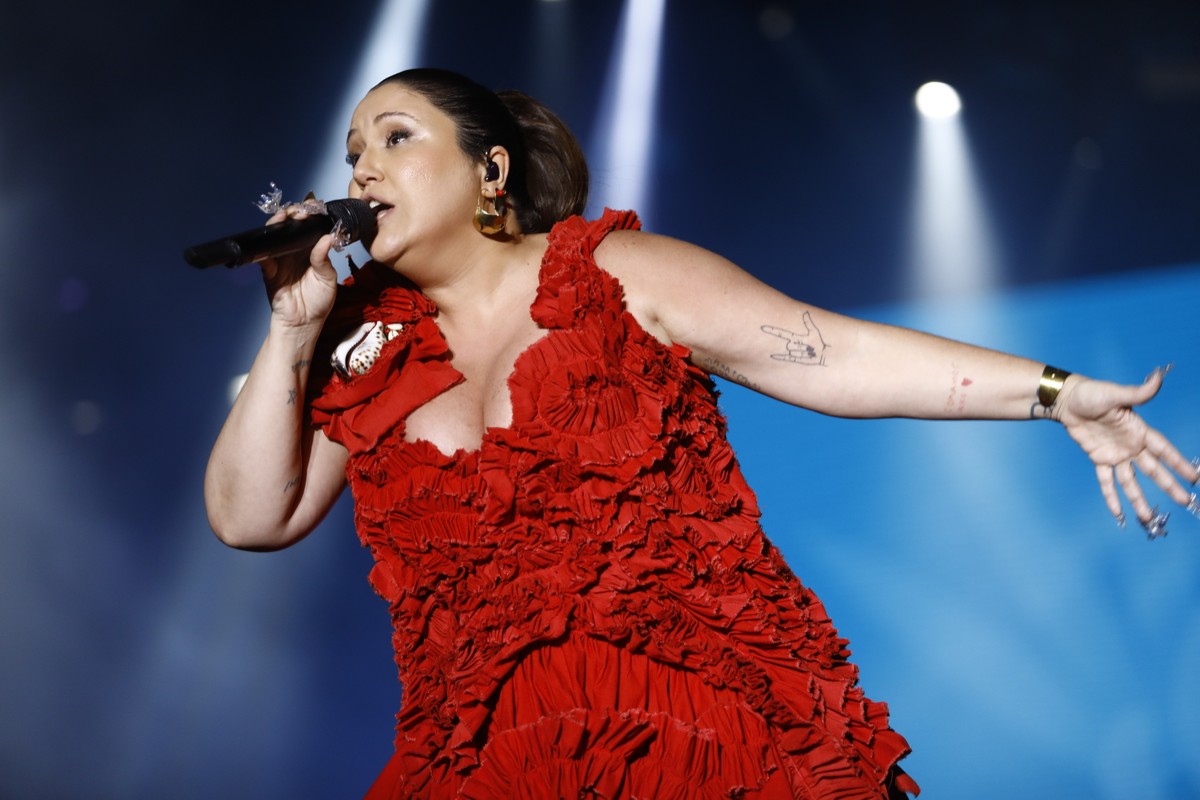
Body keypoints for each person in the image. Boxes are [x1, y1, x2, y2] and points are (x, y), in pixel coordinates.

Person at [204, 67, 1200, 799]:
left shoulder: (620, 274)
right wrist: (294, 330)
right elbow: (253, 516)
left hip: (695, 731)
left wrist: (1057, 390)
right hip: (486, 763)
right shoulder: (366, 350)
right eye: (350, 154)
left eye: (393, 137)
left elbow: (834, 356)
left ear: (489, 167)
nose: (361, 168)